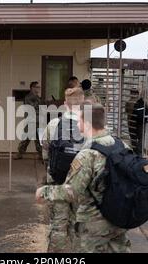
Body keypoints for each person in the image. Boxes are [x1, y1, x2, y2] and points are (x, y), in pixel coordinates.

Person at [36, 102, 131, 253]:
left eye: (79, 120)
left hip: (94, 224)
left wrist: (45, 192)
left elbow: (72, 191)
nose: (77, 124)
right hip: (120, 218)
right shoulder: (122, 146)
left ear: (87, 123)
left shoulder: (88, 154)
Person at [41, 87, 84, 252]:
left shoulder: (54, 124)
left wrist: (50, 166)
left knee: (58, 223)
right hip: (80, 183)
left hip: (57, 180)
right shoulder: (88, 127)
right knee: (78, 222)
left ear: (65, 104)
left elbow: (45, 148)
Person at [14, 81, 43, 160]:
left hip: (37, 120)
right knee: (26, 138)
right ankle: (20, 153)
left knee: (38, 139)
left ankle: (41, 154)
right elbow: (32, 108)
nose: (39, 89)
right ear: (32, 88)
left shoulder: (37, 97)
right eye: (37, 87)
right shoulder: (28, 97)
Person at [127, 88, 148, 156]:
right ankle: (140, 153)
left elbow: (127, 111)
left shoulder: (129, 102)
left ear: (131, 94)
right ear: (138, 94)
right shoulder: (143, 102)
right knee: (141, 138)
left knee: (133, 138)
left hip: (132, 123)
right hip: (141, 123)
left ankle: (135, 153)